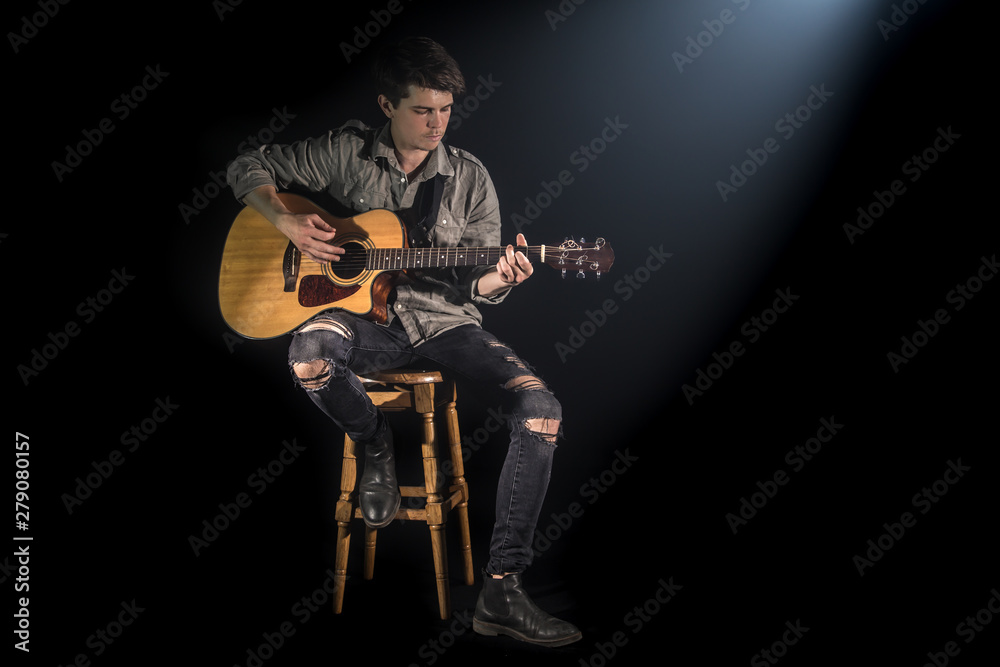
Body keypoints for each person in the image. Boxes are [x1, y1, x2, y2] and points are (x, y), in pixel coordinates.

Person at [225, 36, 580, 647]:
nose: (437, 123)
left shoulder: (470, 178)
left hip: (445, 323)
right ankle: (375, 441)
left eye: (445, 110)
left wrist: (505, 274)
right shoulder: (346, 152)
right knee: (310, 357)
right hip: (367, 325)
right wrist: (280, 217)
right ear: (387, 104)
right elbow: (246, 165)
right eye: (423, 110)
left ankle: (501, 589)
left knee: (542, 410)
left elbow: (480, 280)